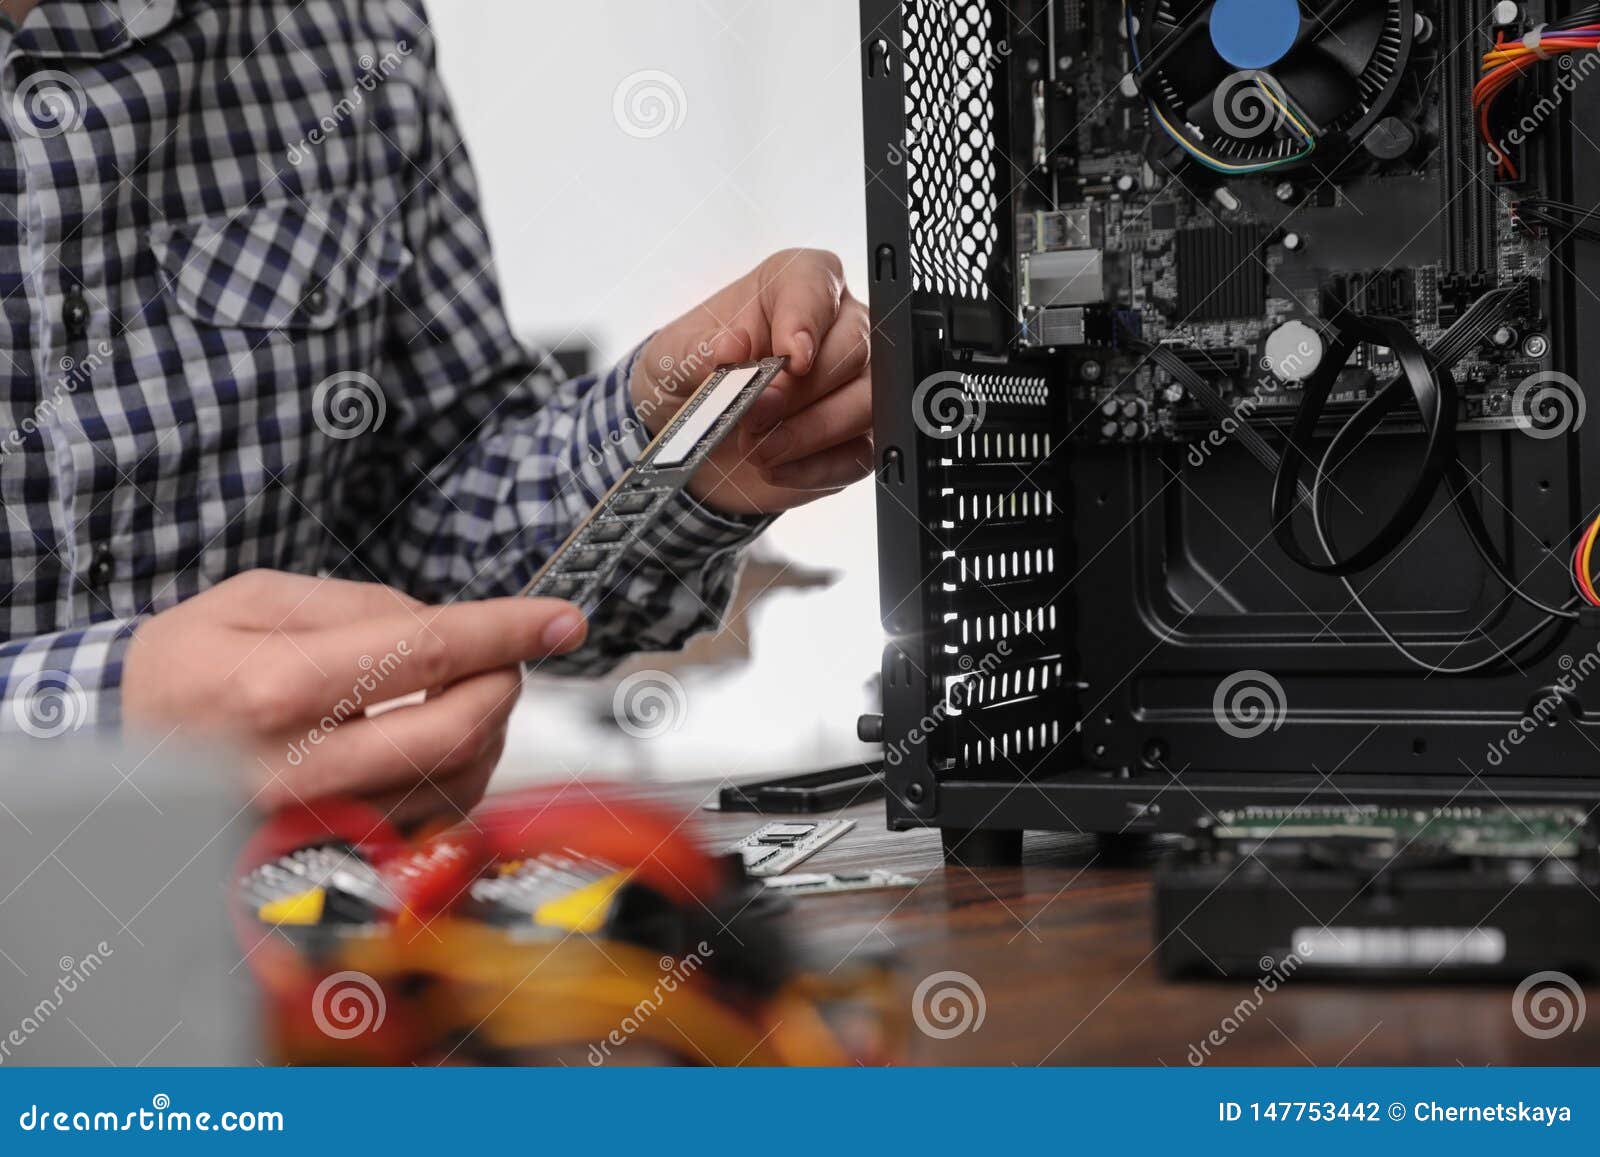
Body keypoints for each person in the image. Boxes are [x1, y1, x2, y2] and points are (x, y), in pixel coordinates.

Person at [0, 0, 872, 825]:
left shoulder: (351, 33)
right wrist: (92, 718)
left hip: (308, 931)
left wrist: (669, 454)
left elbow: (428, 511)